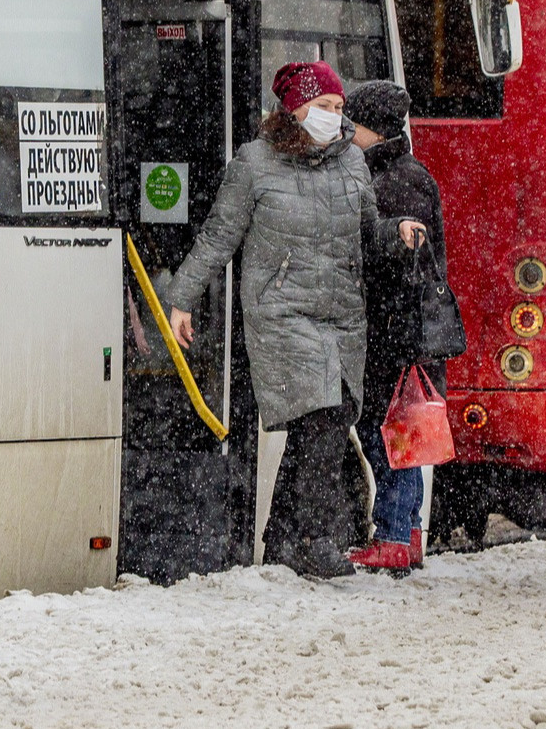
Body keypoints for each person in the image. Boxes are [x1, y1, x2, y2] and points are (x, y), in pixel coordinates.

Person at [161, 61, 427, 578]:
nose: (335, 116)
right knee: (323, 420)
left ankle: (282, 536)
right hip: (282, 313)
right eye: (325, 107)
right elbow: (219, 237)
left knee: (321, 423)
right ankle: (312, 538)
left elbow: (366, 229)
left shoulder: (352, 161)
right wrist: (182, 299)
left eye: (340, 108)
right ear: (296, 108)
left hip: (342, 315)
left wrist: (395, 232)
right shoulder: (255, 164)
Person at [341, 80, 447, 571]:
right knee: (403, 432)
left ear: (373, 130)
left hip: (395, 334)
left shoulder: (396, 180)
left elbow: (402, 265)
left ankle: (393, 536)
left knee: (392, 435)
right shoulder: (405, 173)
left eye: (353, 125)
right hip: (402, 334)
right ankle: (406, 534)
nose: (347, 133)